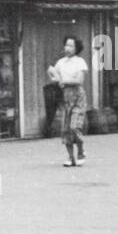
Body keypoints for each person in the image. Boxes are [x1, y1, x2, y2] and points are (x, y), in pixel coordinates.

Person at [49, 36, 89, 167]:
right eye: (66, 45)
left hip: (78, 96)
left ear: (77, 48)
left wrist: (63, 81)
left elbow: (79, 80)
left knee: (74, 126)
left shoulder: (80, 62)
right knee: (65, 129)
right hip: (65, 96)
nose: (68, 48)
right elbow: (52, 74)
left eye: (71, 46)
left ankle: (81, 151)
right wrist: (55, 78)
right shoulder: (60, 62)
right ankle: (71, 157)